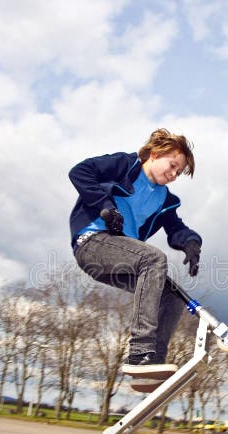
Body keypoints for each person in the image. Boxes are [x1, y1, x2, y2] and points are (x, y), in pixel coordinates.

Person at [69, 129, 202, 382]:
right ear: (155, 154)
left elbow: (176, 229)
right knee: (153, 259)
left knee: (172, 296)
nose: (174, 175)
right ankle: (140, 351)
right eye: (173, 165)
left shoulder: (165, 200)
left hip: (123, 257)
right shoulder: (125, 165)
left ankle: (149, 367)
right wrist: (105, 206)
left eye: (178, 172)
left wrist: (191, 243)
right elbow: (80, 171)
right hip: (93, 242)